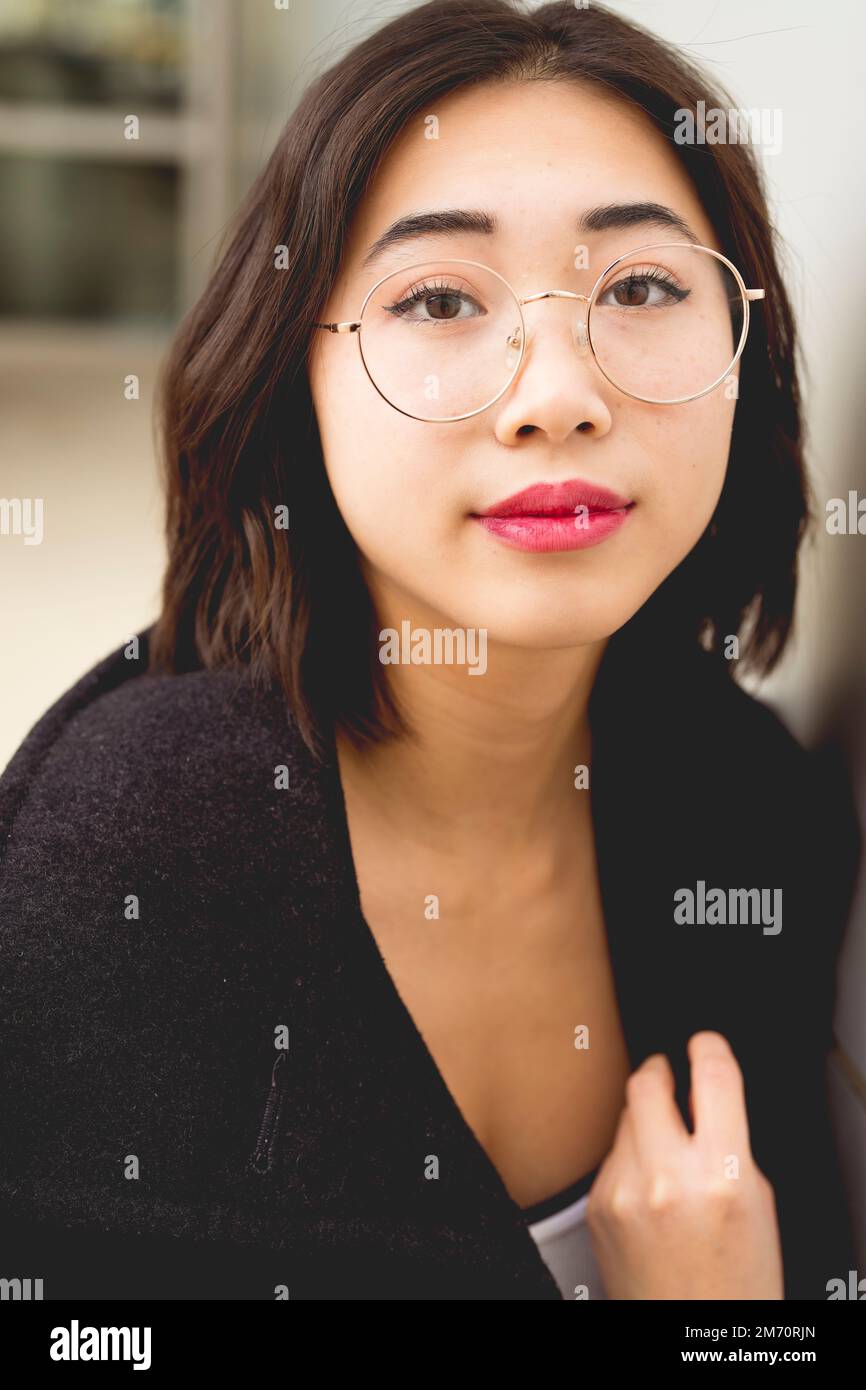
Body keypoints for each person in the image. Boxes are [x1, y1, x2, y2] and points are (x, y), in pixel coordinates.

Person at [0, 0, 859, 1301]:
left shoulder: (755, 809)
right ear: (293, 381)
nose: (557, 391)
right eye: (441, 297)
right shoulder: (123, 867)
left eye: (638, 286)